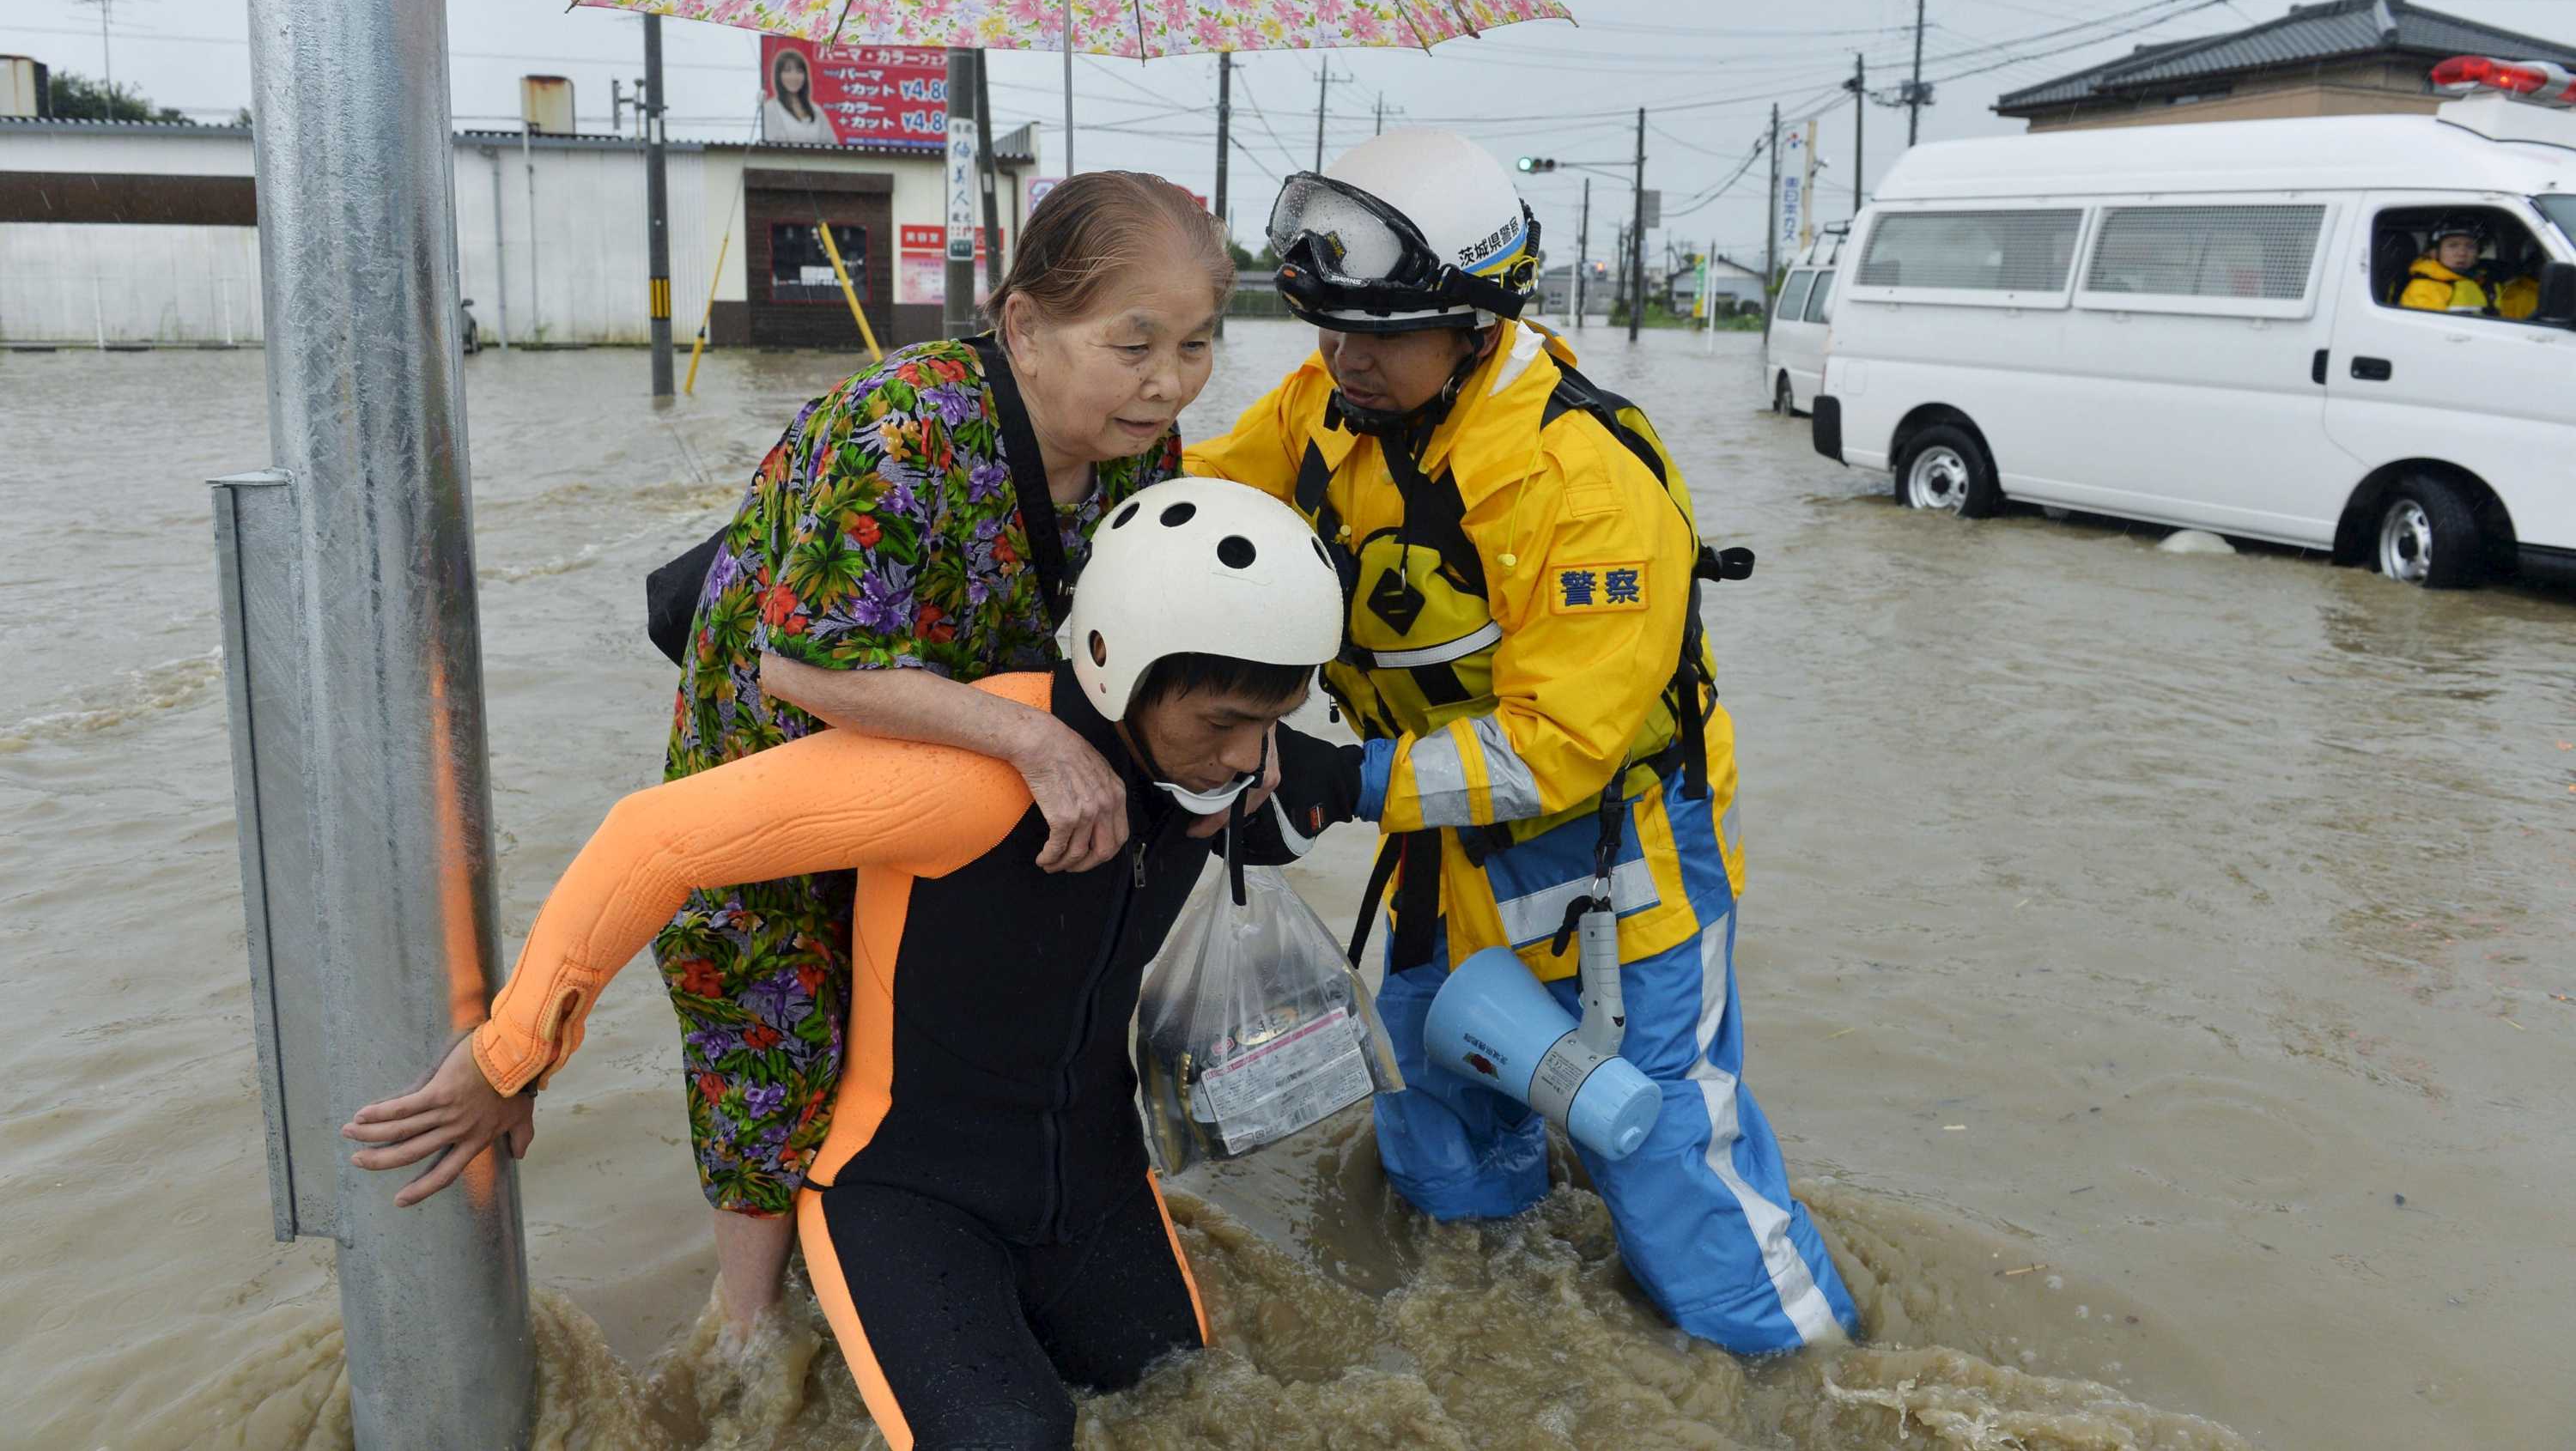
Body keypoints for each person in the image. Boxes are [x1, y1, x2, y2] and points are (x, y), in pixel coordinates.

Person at [346, 480, 1368, 1451]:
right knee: (1012, 1436)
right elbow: (653, 840)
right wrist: (510, 1055)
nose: (1248, 758)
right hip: (910, 1193)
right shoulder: (973, 778)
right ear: (1119, 663)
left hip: (1097, 1183)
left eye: (1271, 721)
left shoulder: (1225, 773)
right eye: (1224, 723)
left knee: (1188, 1397)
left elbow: (1369, 774)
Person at [1188, 129, 1860, 1355]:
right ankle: (1499, 1343)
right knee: (1434, 1138)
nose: (1346, 362)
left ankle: (1819, 1385)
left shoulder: (1585, 478)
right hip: (1445, 861)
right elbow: (1194, 513)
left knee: (1664, 1158)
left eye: (1381, 337)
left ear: (1479, 322)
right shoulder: (1323, 416)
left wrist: (1341, 782)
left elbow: (1562, 749)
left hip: (1618, 873)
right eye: (1328, 332)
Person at [659, 172, 1230, 1340]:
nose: (1169, 381)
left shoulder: (1144, 452)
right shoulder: (908, 426)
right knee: (774, 1033)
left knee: (914, 1039)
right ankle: (747, 1324)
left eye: (1197, 342)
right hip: (788, 767)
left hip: (942, 774)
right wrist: (1029, 735)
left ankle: (909, 1256)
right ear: (1024, 325)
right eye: (1134, 345)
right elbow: (801, 665)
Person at [2397, 216, 2537, 316]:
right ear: (2434, 253)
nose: (2462, 253)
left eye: (2470, 246)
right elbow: (2431, 333)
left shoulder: (2486, 282)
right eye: (2453, 246)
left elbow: (2516, 308)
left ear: (2477, 254)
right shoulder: (2424, 288)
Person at [762, 47, 838, 145]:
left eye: (799, 71)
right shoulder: (770, 108)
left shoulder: (816, 110)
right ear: (778, 75)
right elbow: (769, 146)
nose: (794, 76)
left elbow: (832, 143)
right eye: (787, 70)